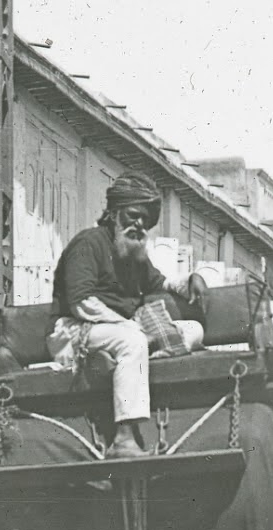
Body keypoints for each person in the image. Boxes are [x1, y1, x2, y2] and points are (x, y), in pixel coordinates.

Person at [48, 172, 205, 459]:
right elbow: (81, 302)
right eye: (133, 215)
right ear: (113, 213)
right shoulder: (88, 244)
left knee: (193, 329)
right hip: (76, 330)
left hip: (117, 331)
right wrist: (129, 326)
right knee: (132, 340)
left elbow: (160, 283)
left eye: (145, 220)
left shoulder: (134, 254)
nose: (139, 224)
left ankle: (142, 355)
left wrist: (191, 280)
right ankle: (124, 438)